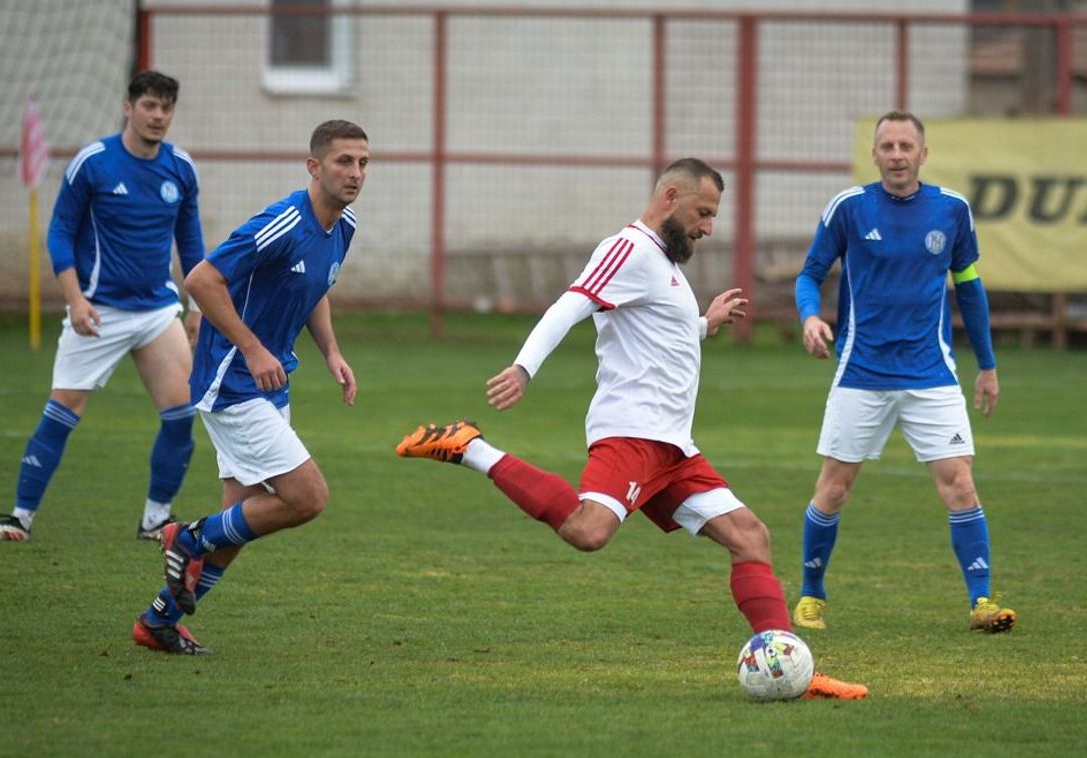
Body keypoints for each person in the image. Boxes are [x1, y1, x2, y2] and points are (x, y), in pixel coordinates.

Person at [397, 159, 868, 699]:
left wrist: (702, 325)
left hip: (673, 446)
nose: (708, 228)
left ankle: (788, 665)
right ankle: (470, 447)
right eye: (703, 212)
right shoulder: (628, 249)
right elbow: (570, 304)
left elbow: (655, 333)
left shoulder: (664, 265)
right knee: (587, 531)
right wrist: (523, 367)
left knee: (750, 536)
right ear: (670, 195)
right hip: (632, 434)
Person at [131, 119, 366, 655]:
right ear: (314, 166)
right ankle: (185, 537)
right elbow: (201, 280)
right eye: (343, 162)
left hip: (271, 381)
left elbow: (312, 287)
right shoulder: (283, 220)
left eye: (363, 163)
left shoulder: (344, 226)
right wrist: (255, 347)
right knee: (307, 498)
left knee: (242, 521)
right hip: (231, 379)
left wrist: (330, 351)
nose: (355, 173)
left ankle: (158, 622)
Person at [791, 111, 1016, 634]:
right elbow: (810, 274)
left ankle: (981, 602)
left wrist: (987, 365)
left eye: (905, 146)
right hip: (861, 371)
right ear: (874, 155)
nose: (896, 154)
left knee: (961, 485)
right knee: (834, 489)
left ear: (923, 154)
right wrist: (809, 317)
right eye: (887, 146)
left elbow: (971, 288)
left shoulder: (952, 210)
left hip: (931, 373)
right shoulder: (849, 208)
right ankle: (811, 595)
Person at [0, 70, 205, 542]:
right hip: (97, 310)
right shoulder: (94, 163)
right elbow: (60, 232)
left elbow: (191, 242)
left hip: (158, 310)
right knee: (63, 412)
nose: (158, 116)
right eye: (149, 106)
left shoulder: (181, 168)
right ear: (128, 107)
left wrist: (197, 305)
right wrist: (75, 299)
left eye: (166, 108)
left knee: (181, 414)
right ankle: (19, 518)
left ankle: (156, 520)